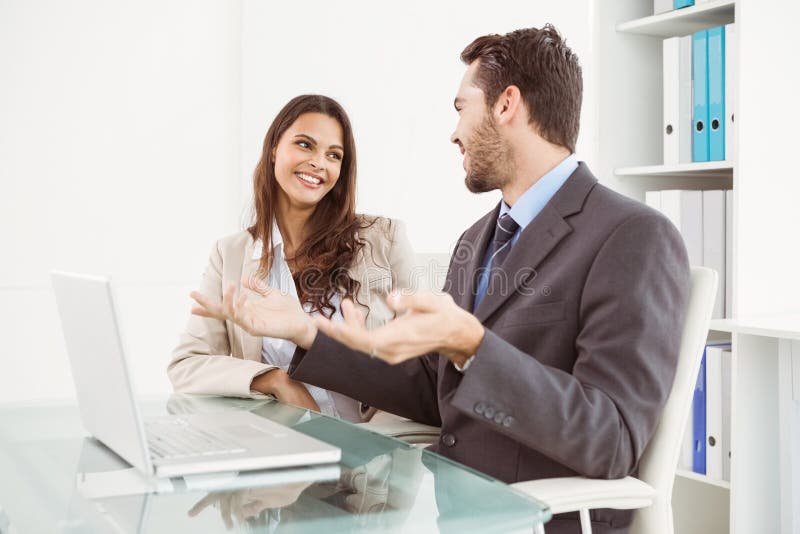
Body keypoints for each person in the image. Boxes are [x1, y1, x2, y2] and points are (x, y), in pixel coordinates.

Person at [194, 26, 690, 534]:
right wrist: (305, 332)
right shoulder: (478, 239)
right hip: (448, 509)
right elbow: (436, 388)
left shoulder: (632, 236)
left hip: (535, 519)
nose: (454, 132)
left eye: (461, 107)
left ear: (507, 105)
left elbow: (611, 438)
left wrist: (473, 345)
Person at [168, 94, 415, 423]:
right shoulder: (231, 254)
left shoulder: (385, 239)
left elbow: (420, 368)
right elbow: (187, 365)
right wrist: (272, 379)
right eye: (304, 144)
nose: (318, 163)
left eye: (333, 155)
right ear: (274, 149)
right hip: (285, 451)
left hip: (373, 456)